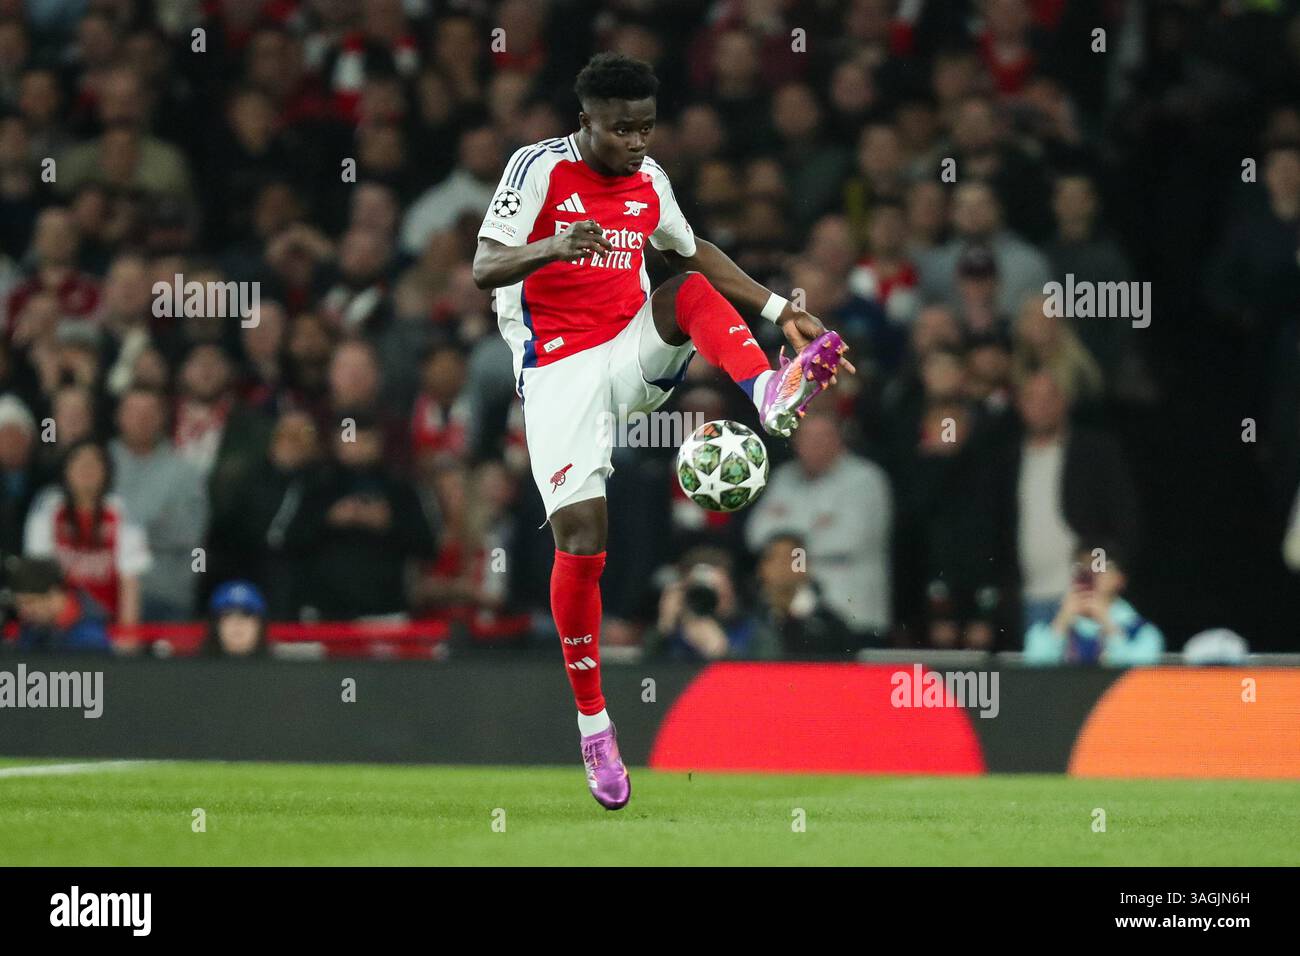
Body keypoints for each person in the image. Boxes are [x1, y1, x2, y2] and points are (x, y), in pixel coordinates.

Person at [471, 52, 854, 810]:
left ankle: (766, 385)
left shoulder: (650, 182)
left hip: (625, 352)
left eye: (646, 128)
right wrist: (552, 246)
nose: (637, 143)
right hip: (557, 371)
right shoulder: (538, 168)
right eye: (621, 131)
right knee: (581, 538)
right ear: (587, 123)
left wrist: (779, 311)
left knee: (684, 289)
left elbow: (692, 250)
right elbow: (485, 265)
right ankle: (594, 726)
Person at [23, 440, 151, 628]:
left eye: (93, 463)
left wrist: (127, 634)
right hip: (53, 613)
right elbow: (36, 571)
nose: (86, 469)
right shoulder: (49, 506)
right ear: (66, 470)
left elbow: (130, 581)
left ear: (106, 472)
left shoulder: (121, 511)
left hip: (103, 618)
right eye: (79, 462)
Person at [1023, 543, 1163, 666]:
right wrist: (1062, 623)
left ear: (1120, 579)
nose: (1090, 574)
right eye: (1083, 567)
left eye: (1099, 566)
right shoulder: (1046, 626)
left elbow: (1136, 677)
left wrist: (1108, 626)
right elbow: (1031, 672)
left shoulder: (1142, 632)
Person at [8, 555, 111, 653]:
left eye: (30, 602)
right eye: (19, 605)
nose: (23, 612)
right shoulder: (31, 628)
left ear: (55, 595)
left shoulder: (91, 638)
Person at [204, 580, 269, 658]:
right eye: (227, 615)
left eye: (246, 614)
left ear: (260, 625)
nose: (237, 623)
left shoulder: (279, 665)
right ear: (216, 625)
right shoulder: (196, 666)